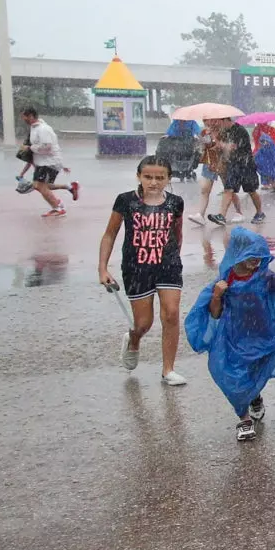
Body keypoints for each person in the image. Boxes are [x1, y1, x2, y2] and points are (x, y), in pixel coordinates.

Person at [186, 226, 275, 442]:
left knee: (254, 370)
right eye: (251, 255)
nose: (256, 260)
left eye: (259, 256)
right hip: (234, 338)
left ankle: (254, 395)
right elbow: (215, 314)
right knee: (232, 374)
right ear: (239, 253)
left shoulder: (265, 277)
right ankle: (244, 418)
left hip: (262, 336)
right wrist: (217, 296)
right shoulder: (225, 282)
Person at [97, 155, 186, 385]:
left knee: (172, 313)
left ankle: (168, 370)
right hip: (136, 268)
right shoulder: (126, 201)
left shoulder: (175, 202)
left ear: (168, 179)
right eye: (148, 177)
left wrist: (174, 258)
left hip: (168, 266)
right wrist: (103, 268)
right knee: (143, 323)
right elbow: (110, 234)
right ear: (139, 176)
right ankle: (134, 339)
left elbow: (177, 232)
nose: (153, 182)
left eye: (160, 178)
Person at [21, 107, 80, 217]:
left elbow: (48, 147)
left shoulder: (43, 129)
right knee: (39, 185)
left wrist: (30, 148)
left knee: (41, 186)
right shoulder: (34, 128)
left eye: (24, 117)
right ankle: (69, 188)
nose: (23, 119)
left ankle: (58, 208)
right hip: (43, 162)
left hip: (49, 163)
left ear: (31, 116)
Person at [210, 121, 263, 225]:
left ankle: (259, 213)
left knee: (251, 191)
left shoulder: (240, 130)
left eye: (220, 121)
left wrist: (221, 144)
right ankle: (221, 216)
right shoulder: (225, 131)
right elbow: (223, 148)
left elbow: (233, 147)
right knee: (228, 189)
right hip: (233, 164)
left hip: (246, 164)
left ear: (225, 120)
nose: (219, 124)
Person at [188, 117, 226, 225]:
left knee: (228, 189)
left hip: (222, 161)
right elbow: (203, 147)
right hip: (209, 162)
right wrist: (204, 140)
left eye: (208, 120)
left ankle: (237, 212)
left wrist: (214, 139)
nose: (206, 123)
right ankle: (201, 214)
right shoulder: (204, 132)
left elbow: (222, 146)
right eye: (204, 121)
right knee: (205, 189)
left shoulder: (223, 130)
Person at [254, 127, 275, 193]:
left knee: (272, 176)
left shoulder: (274, 148)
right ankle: (273, 186)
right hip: (267, 167)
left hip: (272, 166)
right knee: (269, 176)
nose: (264, 143)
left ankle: (274, 186)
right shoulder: (262, 149)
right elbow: (258, 155)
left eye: (265, 141)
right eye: (262, 141)